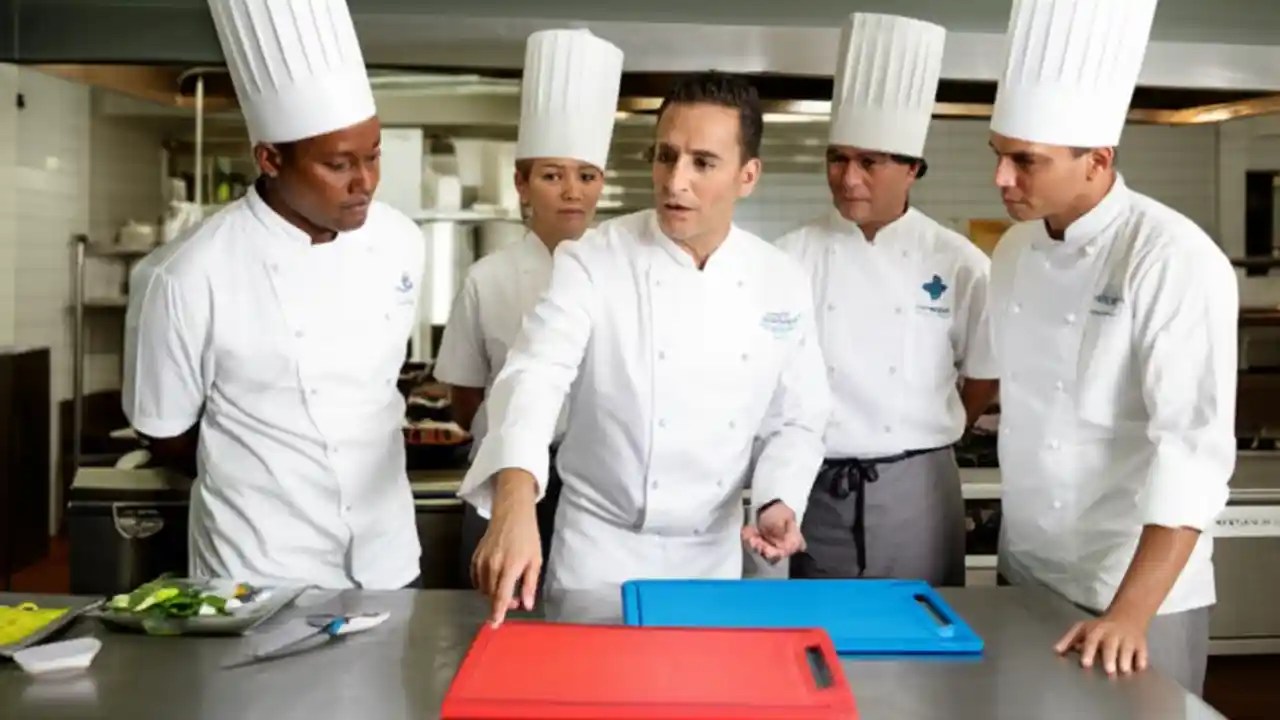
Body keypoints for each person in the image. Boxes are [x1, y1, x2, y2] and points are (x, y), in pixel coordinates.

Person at [458, 72, 831, 625]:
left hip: (713, 558)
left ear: (747, 176)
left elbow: (798, 419)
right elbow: (536, 372)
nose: (674, 181)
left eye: (702, 163)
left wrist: (779, 499)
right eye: (666, 156)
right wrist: (514, 502)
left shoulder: (781, 280)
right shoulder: (593, 260)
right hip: (599, 556)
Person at [126, 0, 426, 590]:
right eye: (339, 164)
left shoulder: (400, 241)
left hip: (388, 563)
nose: (364, 181)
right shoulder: (187, 274)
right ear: (269, 158)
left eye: (372, 156)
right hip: (257, 571)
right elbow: (166, 434)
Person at [985, 0, 1236, 695]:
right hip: (1030, 570)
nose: (1002, 178)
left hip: (1135, 590)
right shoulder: (1011, 250)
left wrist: (1130, 614)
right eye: (998, 155)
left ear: (1097, 160)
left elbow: (1191, 447)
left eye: (1024, 161)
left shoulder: (1172, 257)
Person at [777, 13, 998, 587]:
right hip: (817, 487)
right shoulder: (786, 259)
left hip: (919, 491)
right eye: (837, 158)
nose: (848, 177)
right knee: (823, 647)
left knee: (923, 651)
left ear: (912, 169)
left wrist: (920, 434)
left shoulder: (960, 262)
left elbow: (982, 374)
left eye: (869, 162)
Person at [433, 29, 624, 586]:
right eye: (551, 175)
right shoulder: (486, 278)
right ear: (521, 183)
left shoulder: (625, 271)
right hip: (503, 484)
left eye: (586, 176)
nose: (571, 191)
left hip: (597, 490)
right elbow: (465, 397)